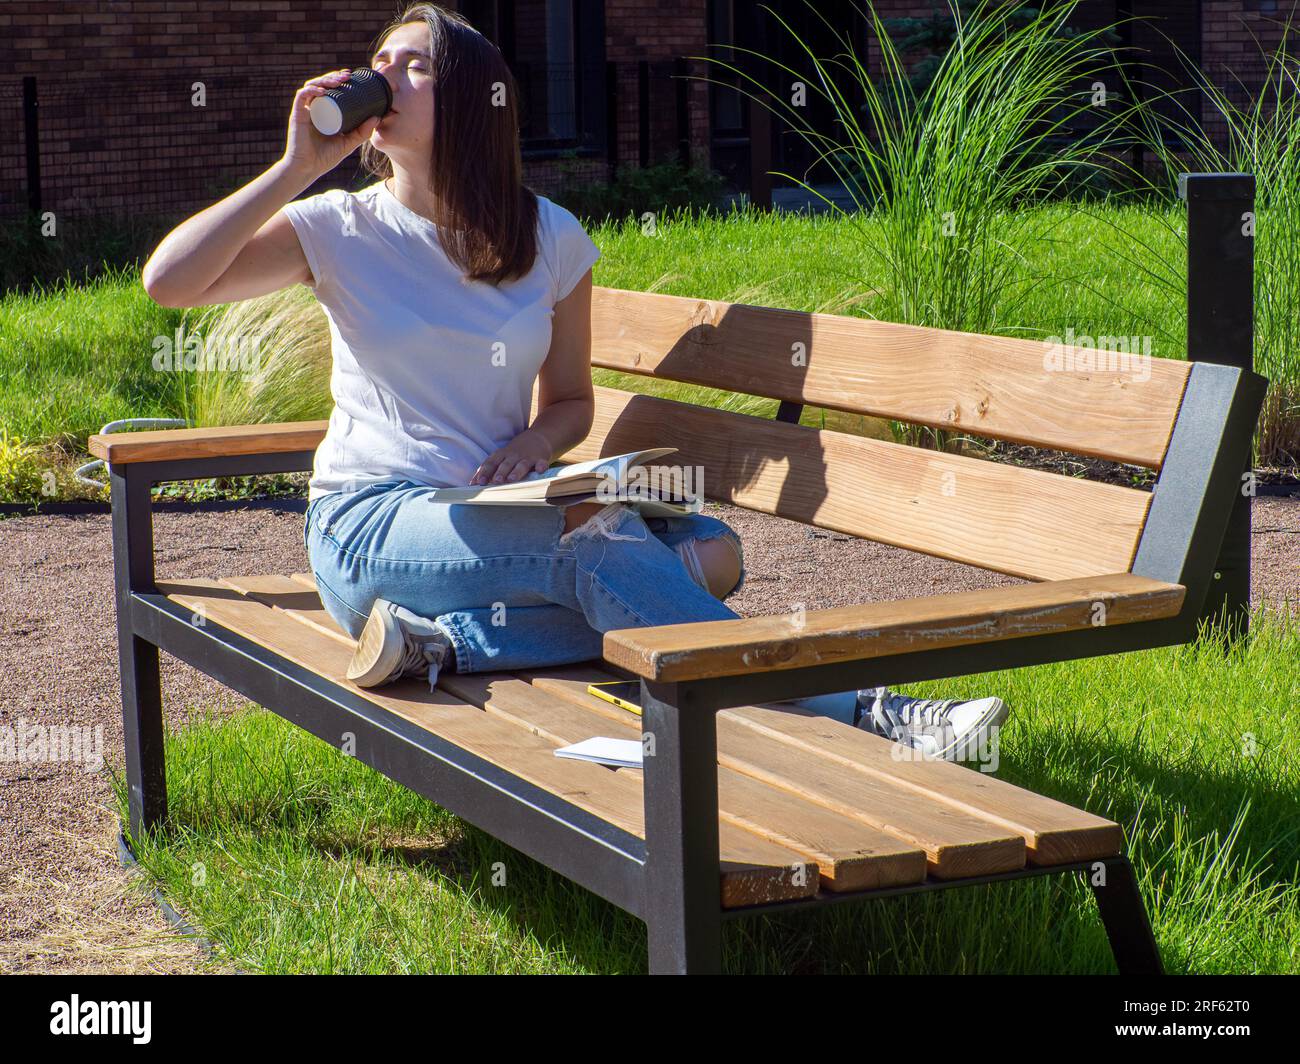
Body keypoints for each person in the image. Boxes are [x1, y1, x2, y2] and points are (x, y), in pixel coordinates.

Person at [141, 2, 1006, 762]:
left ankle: (446, 643)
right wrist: (298, 167)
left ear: (476, 102)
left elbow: (570, 404)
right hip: (370, 524)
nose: (386, 76)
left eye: (415, 64)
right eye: (381, 63)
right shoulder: (335, 228)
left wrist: (532, 443)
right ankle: (864, 711)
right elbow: (167, 283)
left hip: (494, 519)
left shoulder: (547, 236)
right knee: (597, 546)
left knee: (713, 552)